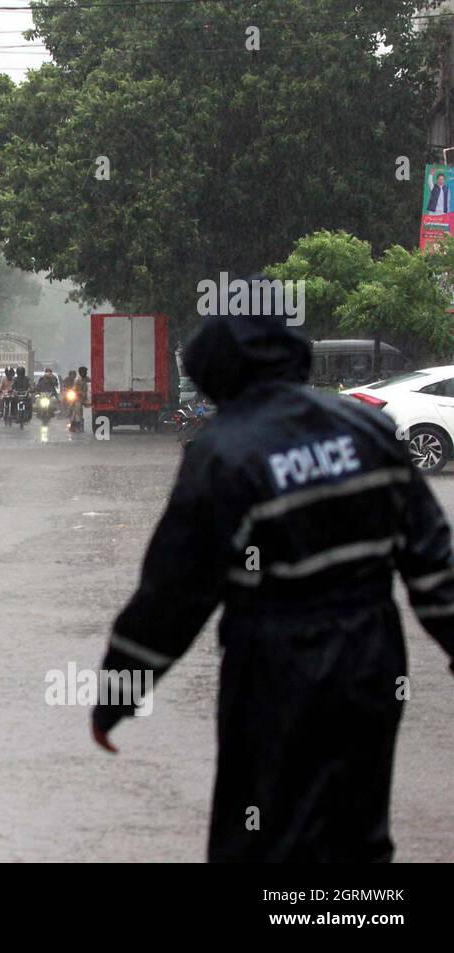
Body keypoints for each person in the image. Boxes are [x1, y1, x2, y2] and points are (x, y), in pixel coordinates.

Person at [90, 311, 454, 862]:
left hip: (275, 666)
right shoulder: (368, 430)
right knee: (358, 832)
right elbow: (432, 564)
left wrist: (119, 692)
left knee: (255, 832)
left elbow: (173, 596)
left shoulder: (222, 453)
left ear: (215, 376)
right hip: (372, 659)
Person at [69, 366, 89, 432]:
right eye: (85, 372)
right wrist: (81, 393)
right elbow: (74, 390)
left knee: (78, 412)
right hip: (77, 398)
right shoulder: (77, 380)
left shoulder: (85, 379)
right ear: (81, 372)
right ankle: (76, 426)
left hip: (82, 398)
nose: (86, 373)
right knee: (77, 412)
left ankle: (76, 426)